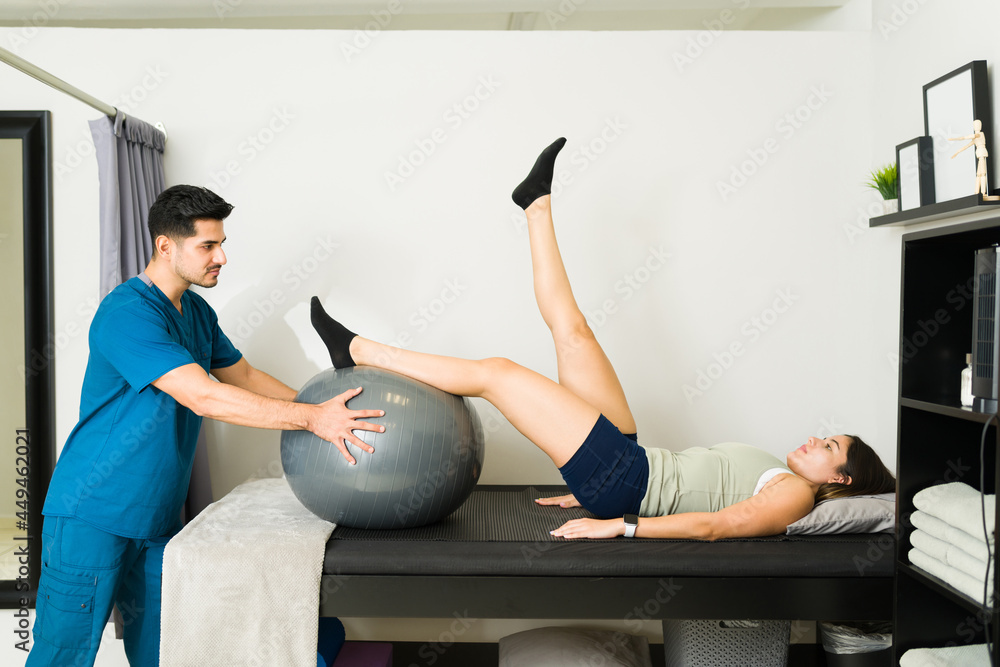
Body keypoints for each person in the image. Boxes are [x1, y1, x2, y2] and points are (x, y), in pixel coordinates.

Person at [309, 137, 896, 541]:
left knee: (498, 373)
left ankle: (357, 349)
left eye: (831, 445)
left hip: (623, 479)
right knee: (574, 334)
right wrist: (591, 490)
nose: (818, 438)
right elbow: (697, 491)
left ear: (840, 479)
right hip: (629, 463)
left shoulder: (795, 495)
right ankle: (535, 204)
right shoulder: (782, 471)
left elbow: (718, 526)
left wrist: (618, 522)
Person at [28, 185, 385, 666]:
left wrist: (328, 405)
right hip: (93, 513)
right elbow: (204, 396)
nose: (221, 257)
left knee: (166, 653)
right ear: (165, 246)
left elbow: (245, 377)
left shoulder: (196, 311)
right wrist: (312, 419)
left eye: (222, 244)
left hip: (157, 521)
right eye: (208, 246)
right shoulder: (127, 313)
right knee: (62, 657)